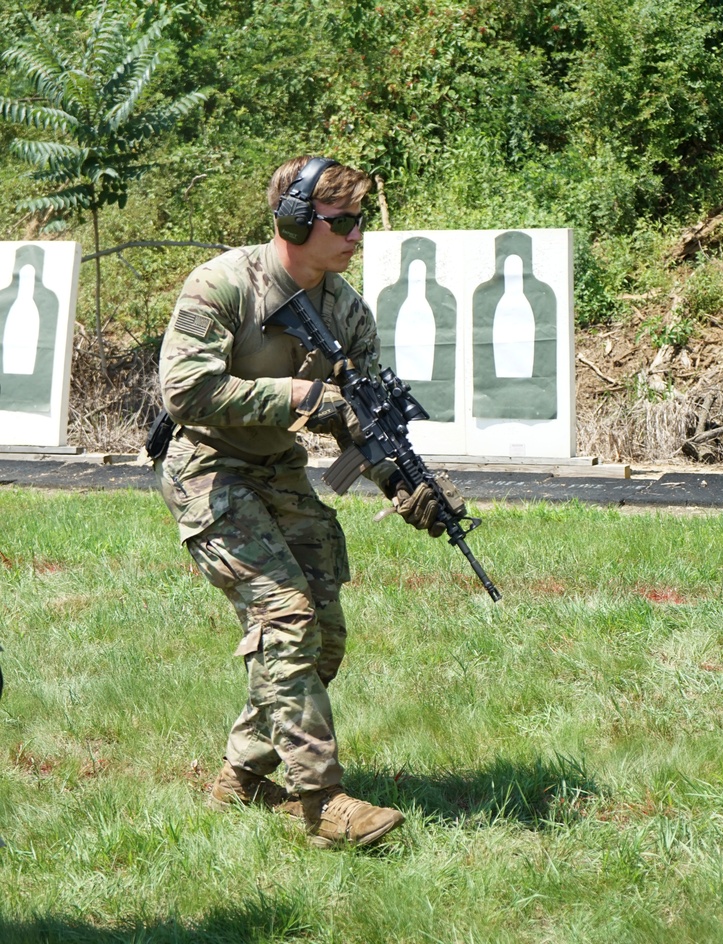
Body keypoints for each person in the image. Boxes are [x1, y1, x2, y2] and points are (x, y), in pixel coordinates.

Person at [151, 155, 443, 848]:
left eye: (360, 220)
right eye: (341, 222)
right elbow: (184, 393)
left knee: (325, 634)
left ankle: (243, 776)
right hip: (206, 466)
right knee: (286, 618)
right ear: (294, 221)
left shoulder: (345, 309)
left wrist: (406, 483)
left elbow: (362, 419)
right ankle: (323, 805)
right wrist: (299, 396)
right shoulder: (222, 285)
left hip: (275, 467)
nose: (356, 235)